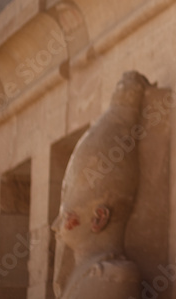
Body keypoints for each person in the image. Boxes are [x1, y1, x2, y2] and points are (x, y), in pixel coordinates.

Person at [52, 71, 148, 299]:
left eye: (66, 214)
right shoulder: (87, 274)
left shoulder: (112, 278)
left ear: (99, 218)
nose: (55, 225)